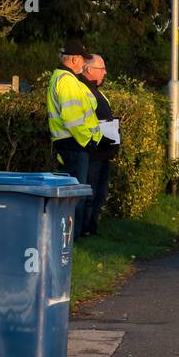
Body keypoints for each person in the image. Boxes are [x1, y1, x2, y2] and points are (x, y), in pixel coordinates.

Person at [48, 38, 102, 231]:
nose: (84, 63)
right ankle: (73, 238)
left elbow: (87, 105)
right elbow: (72, 118)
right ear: (74, 60)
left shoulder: (67, 79)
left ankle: (72, 237)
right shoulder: (67, 81)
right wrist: (87, 141)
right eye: (82, 59)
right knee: (77, 194)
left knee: (76, 192)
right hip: (74, 143)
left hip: (71, 142)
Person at [78, 53, 120, 236]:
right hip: (93, 151)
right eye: (101, 69)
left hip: (104, 152)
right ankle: (85, 230)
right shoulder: (83, 90)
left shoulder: (96, 90)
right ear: (89, 69)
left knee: (99, 193)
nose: (105, 72)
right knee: (90, 192)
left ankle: (92, 228)